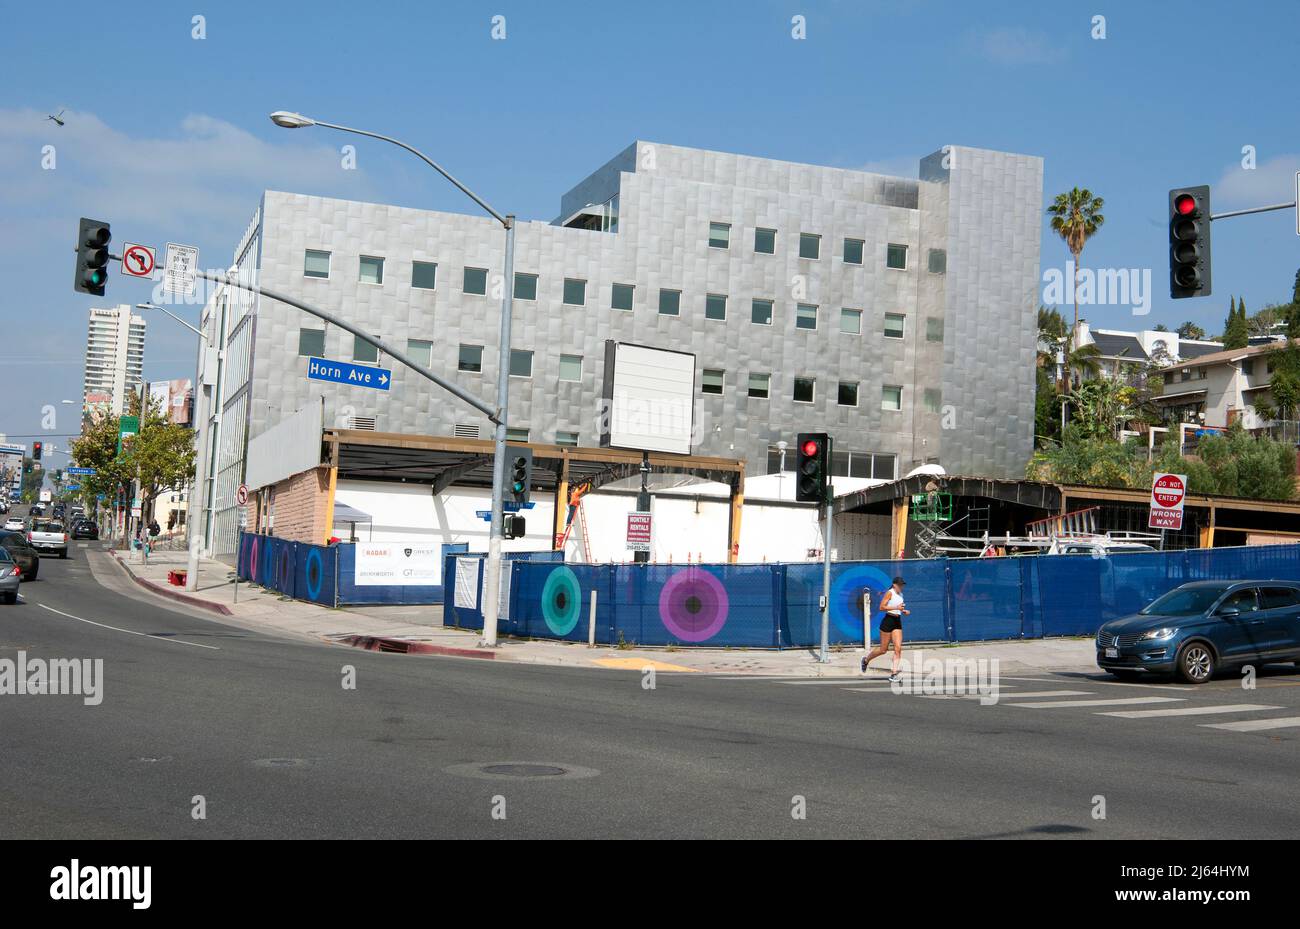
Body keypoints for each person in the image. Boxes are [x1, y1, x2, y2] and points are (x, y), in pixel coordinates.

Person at [861, 576, 909, 682]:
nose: (902, 587)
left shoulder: (901, 594)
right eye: (900, 585)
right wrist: (897, 608)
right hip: (888, 621)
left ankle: (894, 674)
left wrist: (903, 611)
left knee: (898, 648)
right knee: (883, 650)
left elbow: (899, 607)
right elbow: (882, 607)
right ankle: (866, 660)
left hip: (897, 621)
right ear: (895, 585)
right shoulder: (890, 593)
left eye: (903, 585)